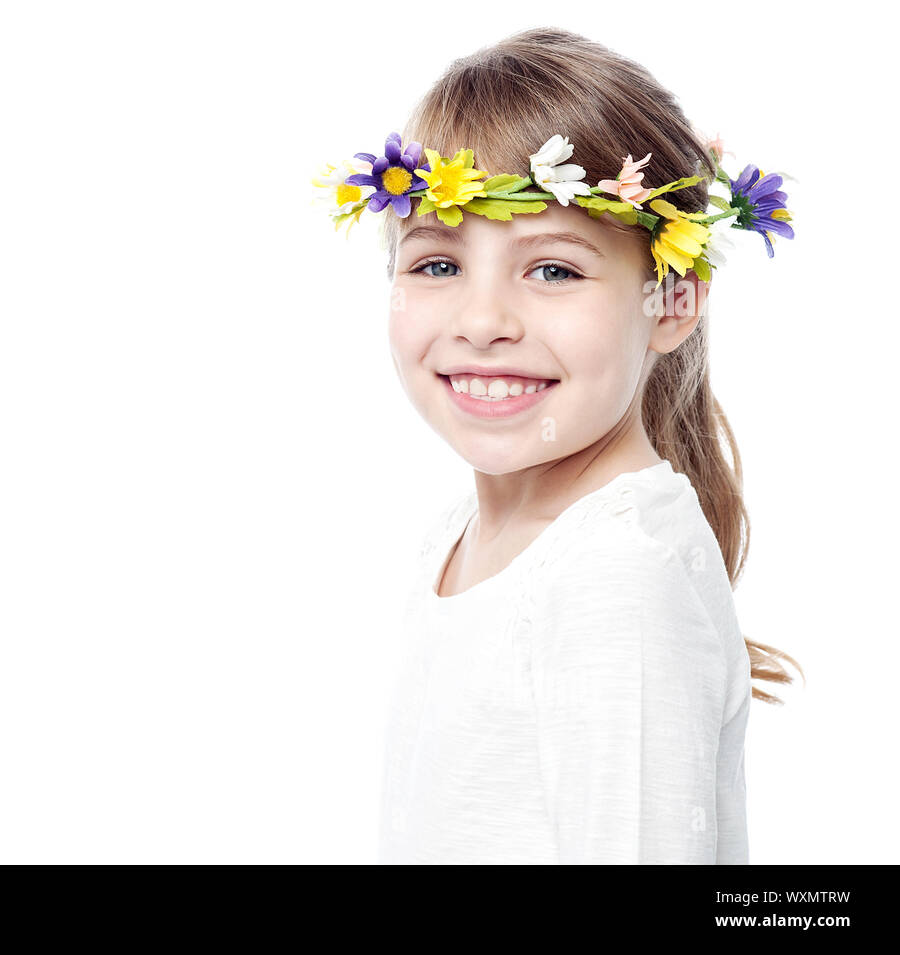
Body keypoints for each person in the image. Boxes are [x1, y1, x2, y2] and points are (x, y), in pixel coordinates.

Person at [312, 27, 804, 864]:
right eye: (437, 265)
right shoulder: (463, 540)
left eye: (554, 271)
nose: (483, 322)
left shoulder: (616, 577)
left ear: (673, 301)